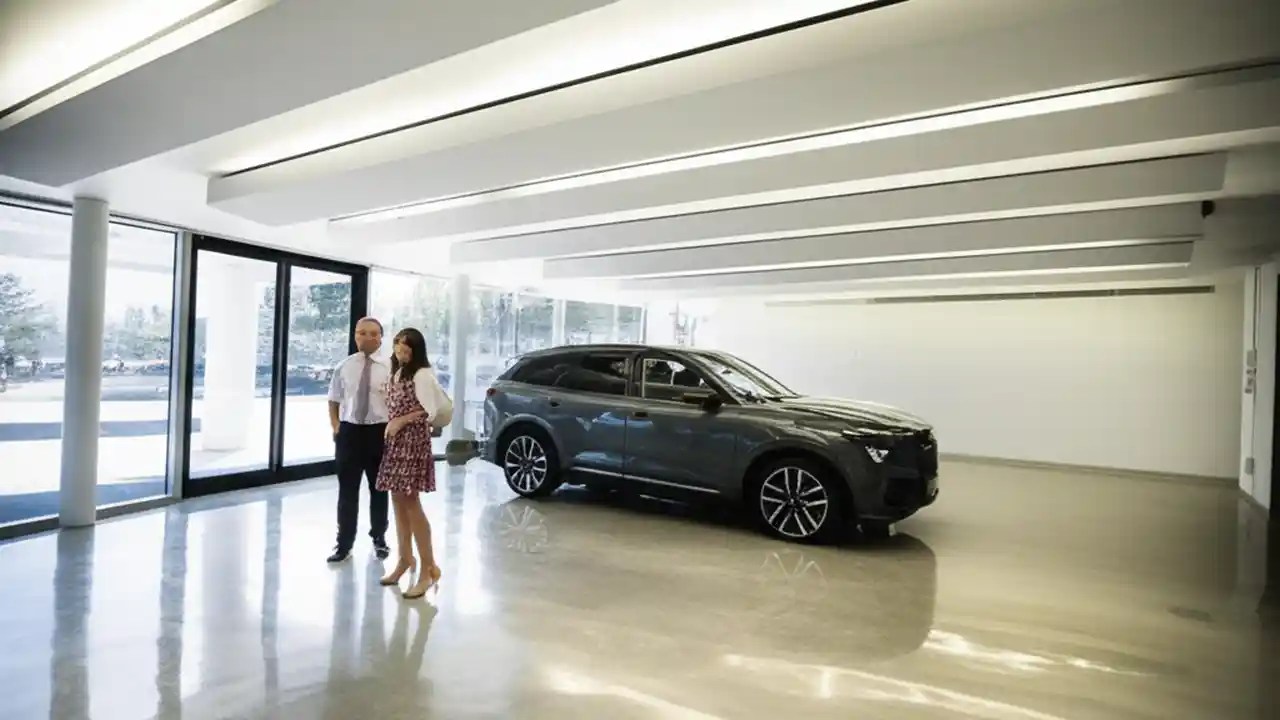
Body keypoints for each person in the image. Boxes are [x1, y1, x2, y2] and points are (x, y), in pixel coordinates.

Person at [377, 327, 446, 599]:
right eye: (397, 345)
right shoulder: (397, 371)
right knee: (397, 499)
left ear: (416, 350)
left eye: (406, 347)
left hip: (412, 441)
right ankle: (405, 559)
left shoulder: (422, 374)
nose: (400, 351)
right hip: (395, 441)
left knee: (411, 501)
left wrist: (400, 421)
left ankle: (429, 568)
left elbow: (428, 412)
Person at [327, 317, 391, 563]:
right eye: (362, 333)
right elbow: (333, 399)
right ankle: (343, 544)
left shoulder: (390, 367)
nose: (367, 337)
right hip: (350, 433)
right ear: (355, 335)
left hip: (379, 433)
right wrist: (336, 427)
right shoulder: (344, 367)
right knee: (347, 491)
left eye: (373, 333)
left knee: (379, 489)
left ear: (380, 337)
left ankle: (379, 539)